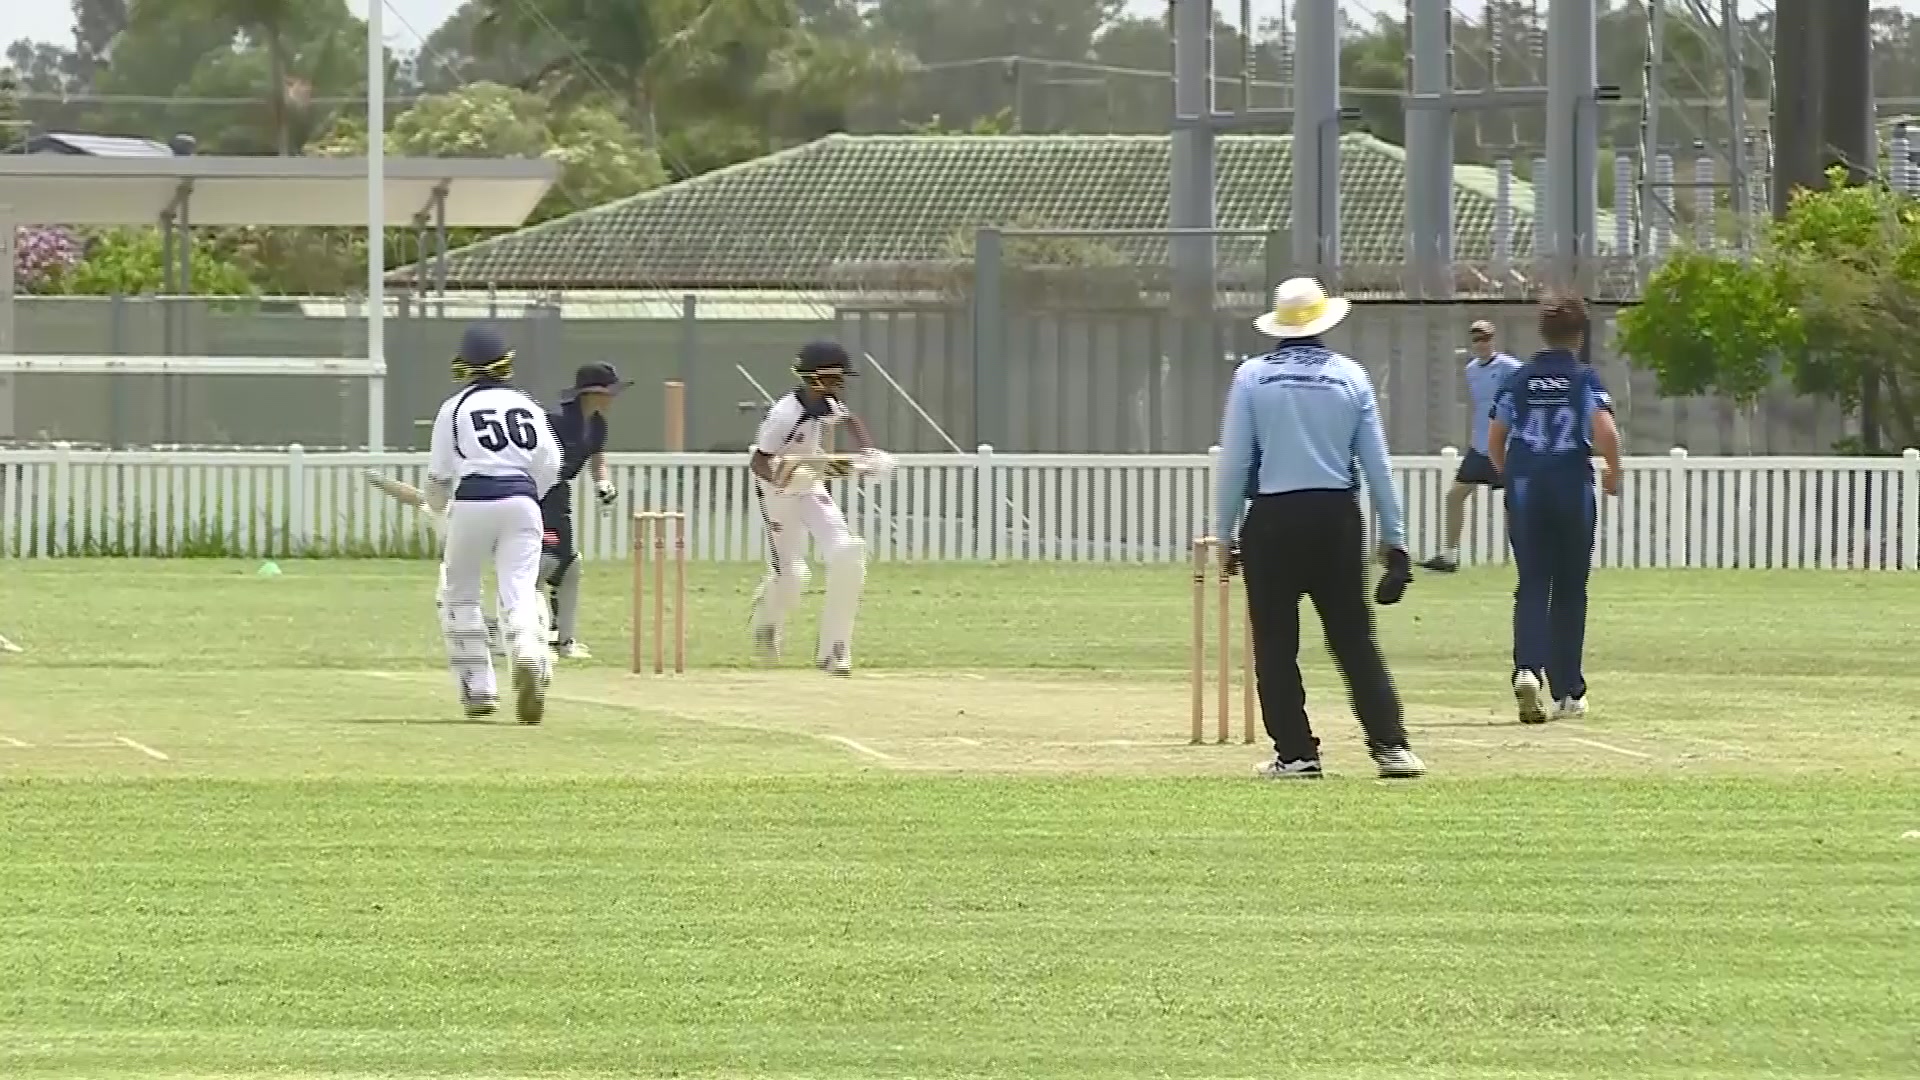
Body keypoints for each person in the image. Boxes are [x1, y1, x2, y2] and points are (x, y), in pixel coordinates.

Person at [1213, 277, 1425, 780]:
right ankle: (1391, 747)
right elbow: (1377, 465)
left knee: (1275, 644)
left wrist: (1224, 534)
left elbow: (1236, 461)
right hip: (1336, 518)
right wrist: (1395, 540)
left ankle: (1296, 753)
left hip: (1273, 519)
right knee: (1353, 639)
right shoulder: (1350, 376)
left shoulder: (1252, 377)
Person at [1485, 294, 1622, 724]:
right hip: (1569, 488)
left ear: (1542, 333)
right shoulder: (1583, 378)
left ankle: (1527, 668)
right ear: (1579, 336)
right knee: (1569, 588)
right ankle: (1567, 690)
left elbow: (1495, 438)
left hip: (1526, 489)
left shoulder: (1519, 379)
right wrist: (1613, 471)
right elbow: (1605, 430)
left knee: (1531, 582)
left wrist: (1511, 475)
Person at [425, 324, 562, 723]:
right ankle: (528, 651)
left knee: (459, 595)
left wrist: (437, 508)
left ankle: (479, 688)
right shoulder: (529, 406)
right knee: (519, 589)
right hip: (523, 501)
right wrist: (526, 495)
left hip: (472, 502)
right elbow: (551, 465)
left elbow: (438, 477)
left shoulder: (454, 409)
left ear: (463, 365)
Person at [747, 342, 895, 675]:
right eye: (831, 379)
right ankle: (768, 619)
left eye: (840, 380)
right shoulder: (784, 415)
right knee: (791, 576)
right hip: (776, 490)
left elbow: (850, 420)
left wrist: (868, 453)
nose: (837, 386)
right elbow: (759, 461)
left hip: (809, 481)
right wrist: (781, 480)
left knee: (847, 552)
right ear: (812, 377)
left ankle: (835, 650)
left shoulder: (828, 402)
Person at [540, 362, 630, 660]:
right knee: (542, 563)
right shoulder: (555, 419)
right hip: (535, 494)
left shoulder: (598, 423)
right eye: (609, 392)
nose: (613, 398)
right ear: (592, 393)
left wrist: (603, 483)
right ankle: (526, 634)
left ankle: (563, 640)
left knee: (569, 565)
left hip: (559, 494)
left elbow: (597, 461)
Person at [1421, 319, 1521, 572]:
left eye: (1485, 339)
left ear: (1493, 340)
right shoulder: (1471, 370)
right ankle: (1449, 557)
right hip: (1480, 447)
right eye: (1476, 339)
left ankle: (1526, 558)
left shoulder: (1510, 367)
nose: (1481, 344)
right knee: (1455, 495)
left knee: (1514, 504)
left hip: (1506, 447)